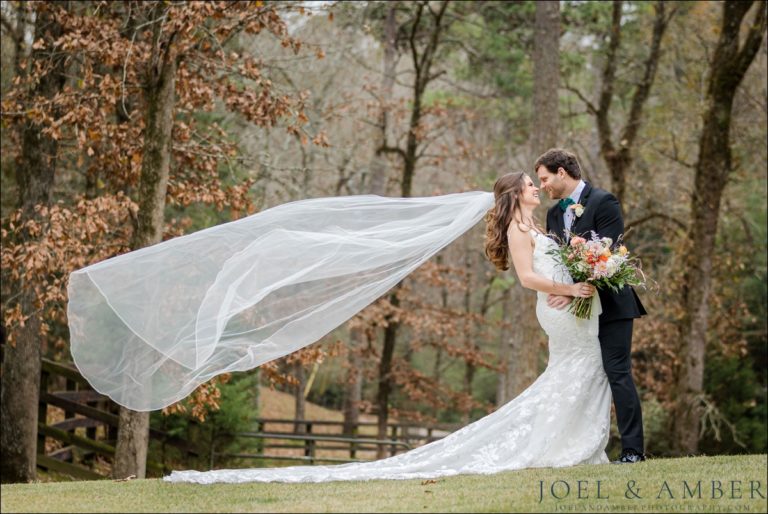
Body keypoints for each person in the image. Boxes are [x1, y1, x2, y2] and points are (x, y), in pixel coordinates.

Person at [164, 170, 614, 485]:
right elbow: (526, 278)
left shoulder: (534, 224)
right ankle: (567, 445)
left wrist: (583, 275)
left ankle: (577, 444)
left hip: (569, 306)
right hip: (559, 308)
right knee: (578, 369)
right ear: (515, 193)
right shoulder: (519, 231)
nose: (538, 188)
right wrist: (570, 289)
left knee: (579, 372)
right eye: (531, 185)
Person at [534, 148, 647, 464]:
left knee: (617, 373)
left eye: (544, 179)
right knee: (582, 374)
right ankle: (578, 448)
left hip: (612, 305)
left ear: (561, 172)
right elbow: (557, 262)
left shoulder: (604, 201)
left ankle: (633, 451)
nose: (542, 186)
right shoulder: (553, 214)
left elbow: (609, 254)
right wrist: (562, 291)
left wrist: (573, 291)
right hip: (576, 314)